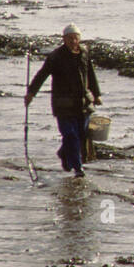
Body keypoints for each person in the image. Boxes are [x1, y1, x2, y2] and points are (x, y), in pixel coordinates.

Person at [24, 24, 101, 178]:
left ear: (79, 39)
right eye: (70, 38)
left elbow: (90, 74)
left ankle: (63, 153)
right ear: (64, 39)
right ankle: (78, 168)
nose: (73, 41)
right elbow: (41, 75)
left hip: (83, 104)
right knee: (70, 135)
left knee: (80, 136)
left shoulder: (84, 53)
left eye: (76, 38)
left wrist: (97, 94)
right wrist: (31, 93)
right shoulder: (55, 57)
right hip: (63, 104)